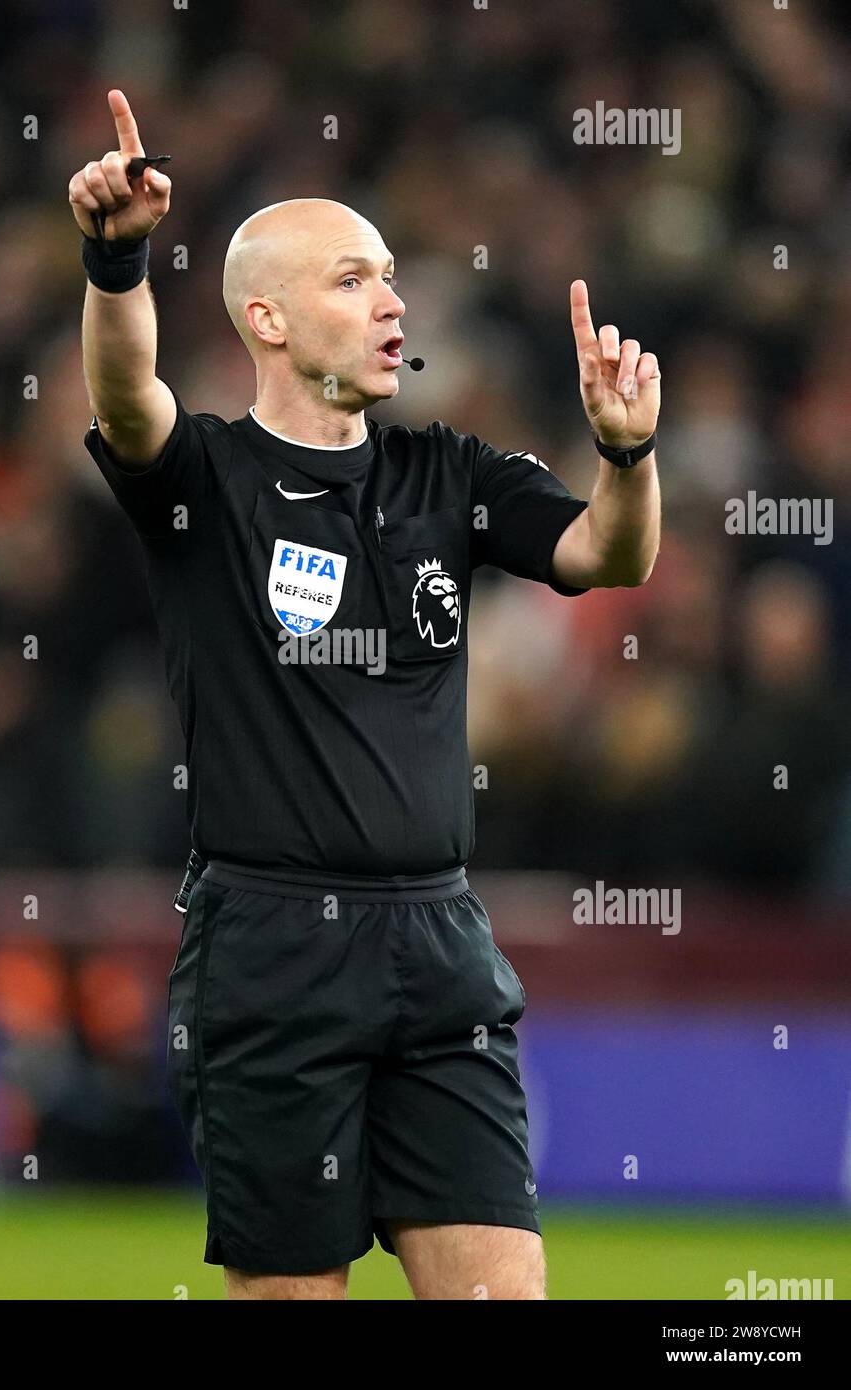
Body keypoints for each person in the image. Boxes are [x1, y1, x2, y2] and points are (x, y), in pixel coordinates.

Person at [69, 89, 661, 1300]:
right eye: (354, 280)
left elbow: (613, 554)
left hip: (439, 944)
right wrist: (116, 258)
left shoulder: (452, 473)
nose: (394, 302)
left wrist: (626, 452)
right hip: (271, 947)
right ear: (269, 318)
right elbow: (128, 396)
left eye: (391, 276)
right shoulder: (208, 483)